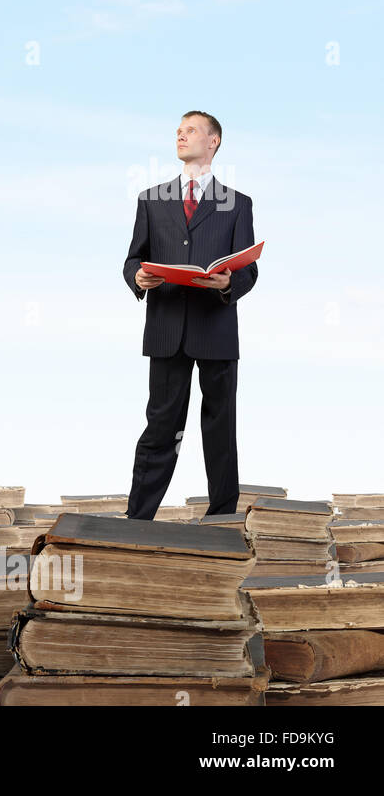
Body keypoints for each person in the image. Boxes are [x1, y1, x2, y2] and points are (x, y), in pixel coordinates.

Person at [122, 111, 258, 519]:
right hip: (166, 328)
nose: (181, 136)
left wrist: (228, 284)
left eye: (191, 131)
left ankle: (222, 519)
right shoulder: (150, 200)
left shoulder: (238, 204)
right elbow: (133, 259)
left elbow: (248, 269)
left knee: (219, 430)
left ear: (214, 141)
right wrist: (138, 277)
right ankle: (137, 520)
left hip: (215, 328)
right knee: (160, 427)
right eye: (178, 131)